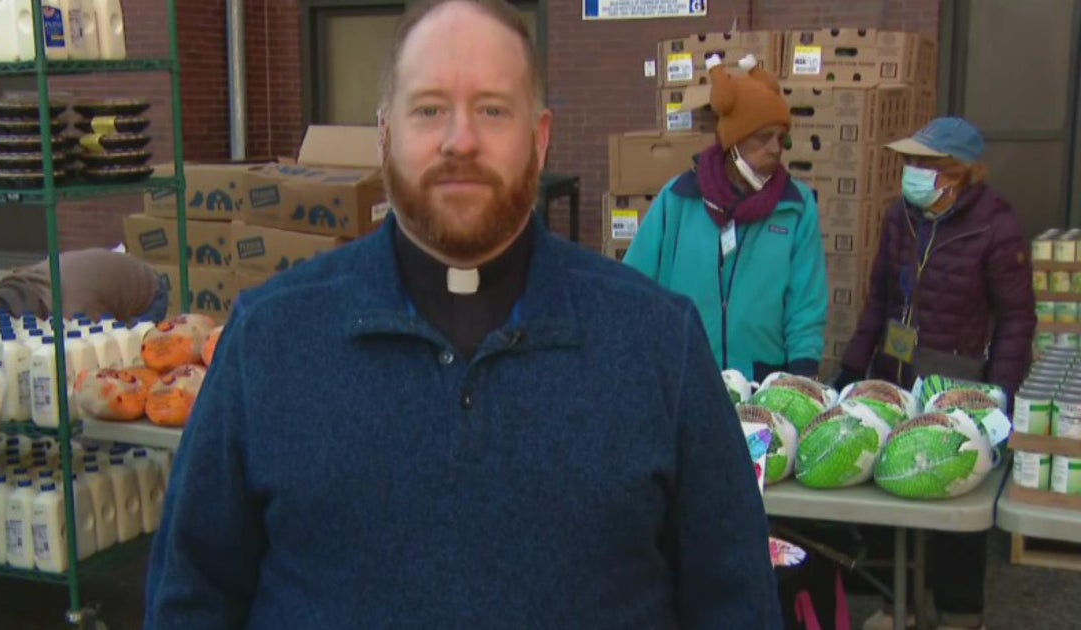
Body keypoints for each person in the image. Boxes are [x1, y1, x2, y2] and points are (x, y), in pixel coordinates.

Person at [144, 0, 781, 627]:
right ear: (386, 132)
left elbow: (736, 601)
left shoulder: (656, 343)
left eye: (492, 110)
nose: (461, 140)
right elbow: (189, 598)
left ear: (540, 137)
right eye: (429, 110)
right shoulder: (270, 340)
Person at [836, 117, 1035, 630]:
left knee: (951, 506)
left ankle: (960, 614)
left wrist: (1002, 394)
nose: (911, 172)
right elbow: (880, 298)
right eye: (909, 162)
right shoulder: (899, 216)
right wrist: (854, 364)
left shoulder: (996, 224)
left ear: (956, 171)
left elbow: (1016, 318)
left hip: (961, 386)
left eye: (922, 163)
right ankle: (896, 603)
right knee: (890, 491)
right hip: (896, 378)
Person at [623, 54, 828, 383]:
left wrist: (803, 374)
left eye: (782, 138)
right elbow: (633, 287)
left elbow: (807, 300)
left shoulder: (797, 207)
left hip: (765, 382)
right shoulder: (678, 199)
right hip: (684, 375)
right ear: (733, 142)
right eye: (764, 138)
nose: (776, 148)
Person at [0, 247, 169, 323]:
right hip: (106, 279)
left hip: (150, 291)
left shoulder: (73, 309)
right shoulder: (22, 281)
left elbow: (103, 341)